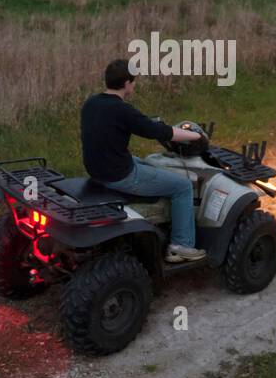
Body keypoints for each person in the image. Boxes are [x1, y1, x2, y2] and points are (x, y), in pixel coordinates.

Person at [80, 59, 206, 262]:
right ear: (127, 83)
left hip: (98, 170)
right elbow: (158, 131)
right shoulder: (123, 110)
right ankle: (181, 245)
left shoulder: (91, 103)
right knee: (182, 186)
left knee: (146, 162)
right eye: (134, 82)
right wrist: (195, 136)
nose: (134, 85)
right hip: (119, 175)